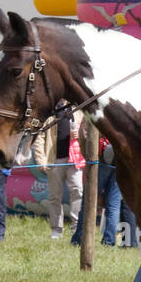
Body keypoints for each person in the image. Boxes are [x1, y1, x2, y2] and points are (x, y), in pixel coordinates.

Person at [45, 100, 84, 240]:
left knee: (78, 191)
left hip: (75, 159)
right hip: (55, 159)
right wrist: (41, 159)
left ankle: (76, 228)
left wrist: (79, 135)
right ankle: (56, 229)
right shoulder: (51, 111)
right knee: (55, 196)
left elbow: (87, 130)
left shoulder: (78, 110)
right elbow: (40, 137)